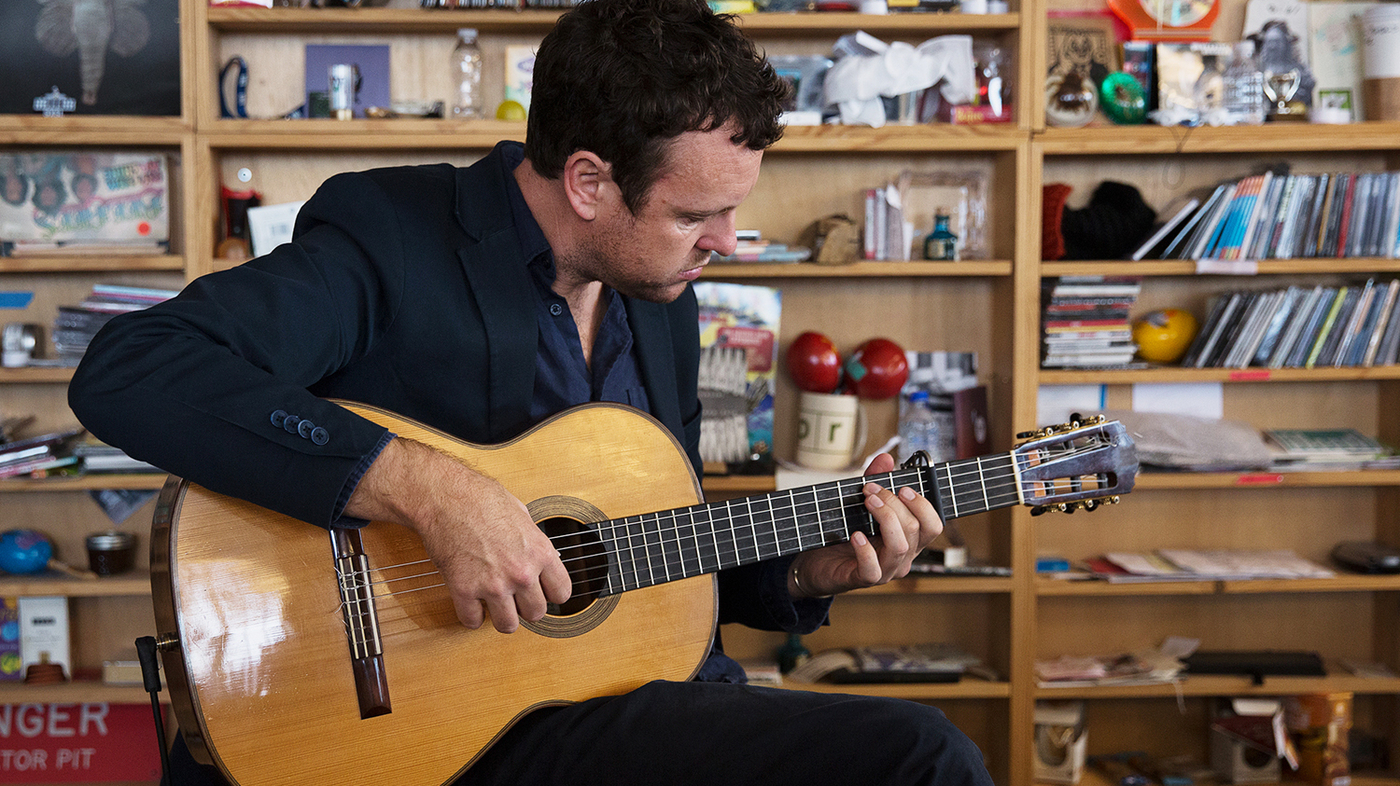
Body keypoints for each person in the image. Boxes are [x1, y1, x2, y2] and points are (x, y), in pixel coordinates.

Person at [68, 1, 994, 784]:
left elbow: (634, 548)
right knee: (921, 757)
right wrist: (425, 488)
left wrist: (799, 570)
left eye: (731, 209)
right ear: (588, 180)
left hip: (586, 706)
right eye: (695, 214)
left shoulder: (661, 298)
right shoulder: (391, 236)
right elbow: (133, 366)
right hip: (404, 723)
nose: (728, 241)